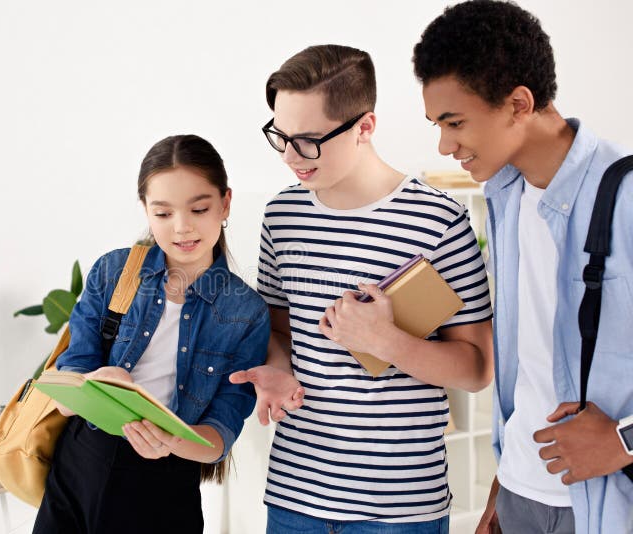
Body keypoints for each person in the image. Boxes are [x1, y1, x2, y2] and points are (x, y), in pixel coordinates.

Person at [230, 44, 493, 533]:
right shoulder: (282, 216)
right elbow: (279, 332)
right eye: (280, 136)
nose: (290, 157)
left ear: (364, 127)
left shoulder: (439, 220)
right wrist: (277, 368)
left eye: (307, 140)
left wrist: (385, 342)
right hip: (294, 499)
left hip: (399, 510)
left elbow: (477, 369)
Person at [413, 2, 633, 533]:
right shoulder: (505, 197)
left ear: (518, 104)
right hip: (519, 493)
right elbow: (529, 364)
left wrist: (625, 439)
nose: (445, 145)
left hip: (604, 505)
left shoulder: (625, 194)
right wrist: (503, 482)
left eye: (455, 122)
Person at [32, 134, 270, 534]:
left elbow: (218, 439)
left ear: (225, 203)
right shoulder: (113, 272)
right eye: (162, 214)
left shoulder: (246, 313)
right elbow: (65, 396)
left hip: (164, 485)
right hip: (78, 468)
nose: (182, 228)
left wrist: (170, 441)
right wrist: (96, 384)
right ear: (145, 209)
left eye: (199, 208)